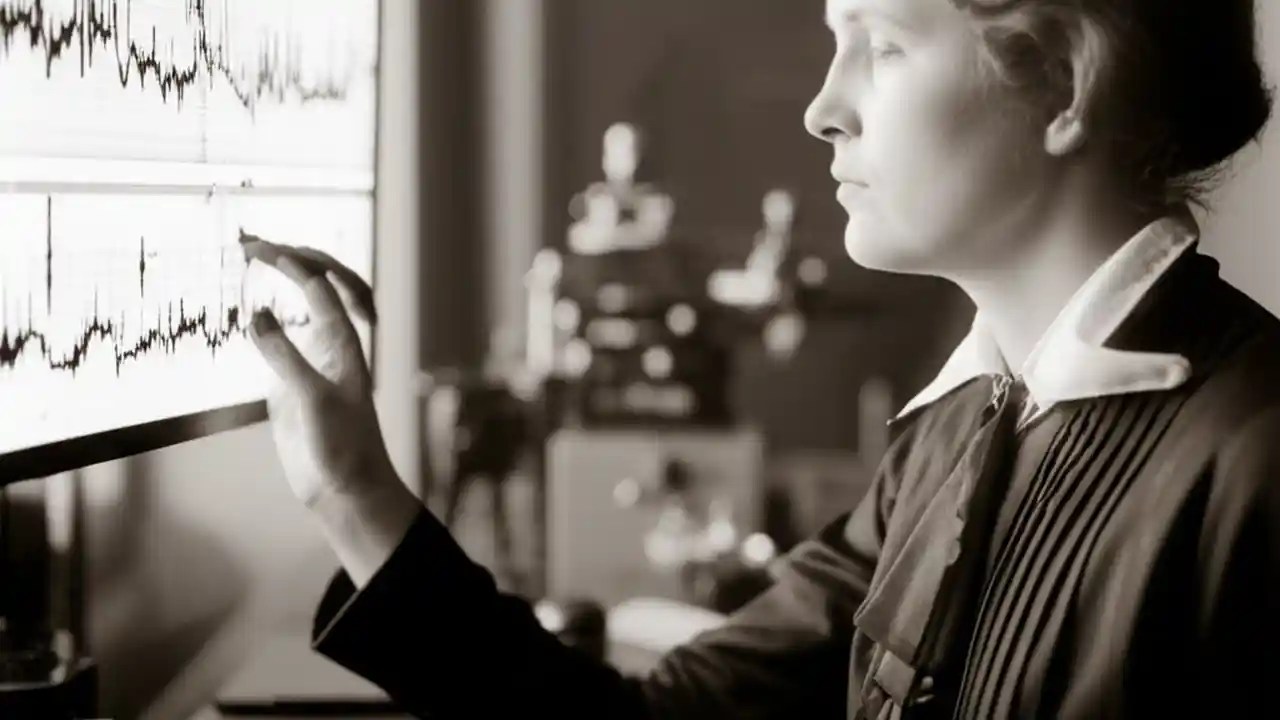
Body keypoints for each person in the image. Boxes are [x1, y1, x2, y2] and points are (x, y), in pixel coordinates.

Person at [242, 0, 1280, 717]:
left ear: (1059, 84)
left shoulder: (1253, 458)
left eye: (879, 44)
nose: (821, 108)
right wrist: (350, 490)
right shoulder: (954, 437)